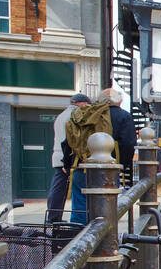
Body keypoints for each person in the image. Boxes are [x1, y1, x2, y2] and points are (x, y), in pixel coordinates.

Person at [64, 89, 137, 225]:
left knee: (79, 207)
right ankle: (103, 242)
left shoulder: (87, 114)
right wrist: (122, 166)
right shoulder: (124, 116)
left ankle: (78, 240)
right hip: (107, 168)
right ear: (119, 100)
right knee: (105, 209)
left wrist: (67, 165)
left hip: (81, 165)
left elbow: (68, 141)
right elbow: (128, 143)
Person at [47, 93, 89, 223]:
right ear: (81, 104)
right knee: (60, 188)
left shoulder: (61, 116)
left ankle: (53, 217)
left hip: (59, 155)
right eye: (87, 105)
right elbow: (71, 141)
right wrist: (68, 162)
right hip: (66, 158)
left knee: (58, 187)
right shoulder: (74, 116)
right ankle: (53, 218)